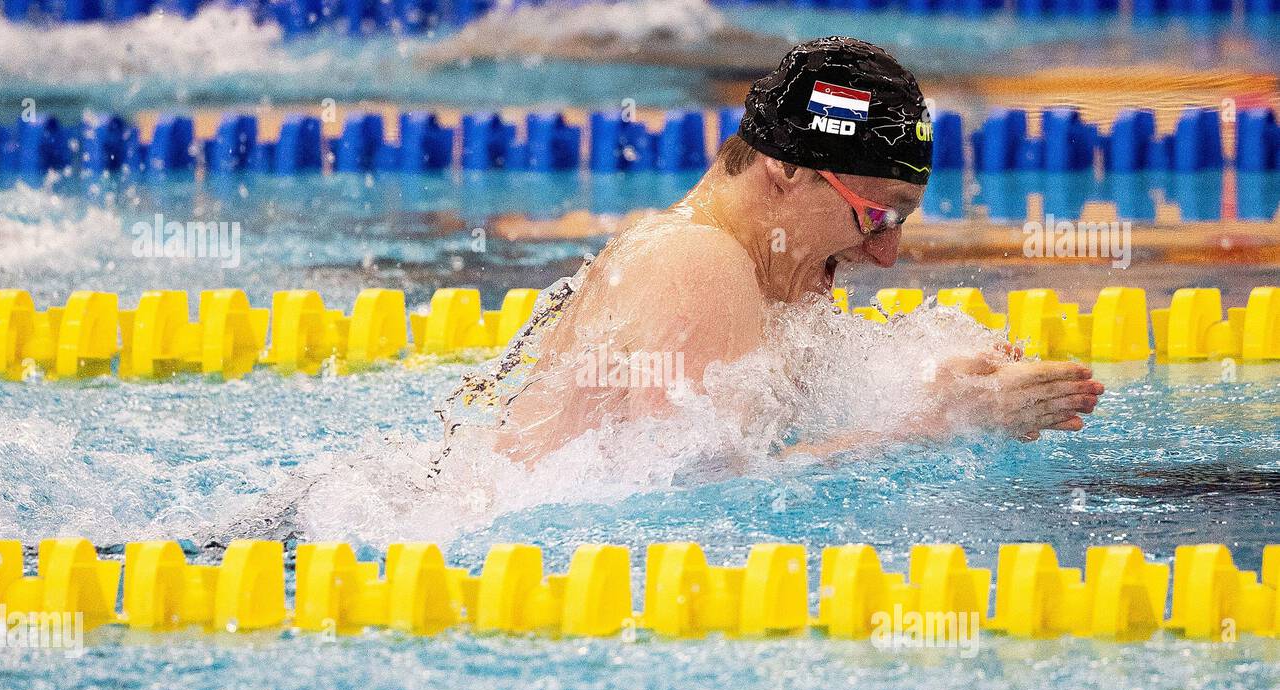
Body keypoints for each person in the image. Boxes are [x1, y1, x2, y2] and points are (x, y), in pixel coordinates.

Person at [450, 36, 1104, 465]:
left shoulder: (747, 270)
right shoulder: (696, 262)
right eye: (877, 216)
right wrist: (944, 424)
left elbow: (773, 429)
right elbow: (700, 498)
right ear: (788, 168)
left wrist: (941, 381)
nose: (887, 254)